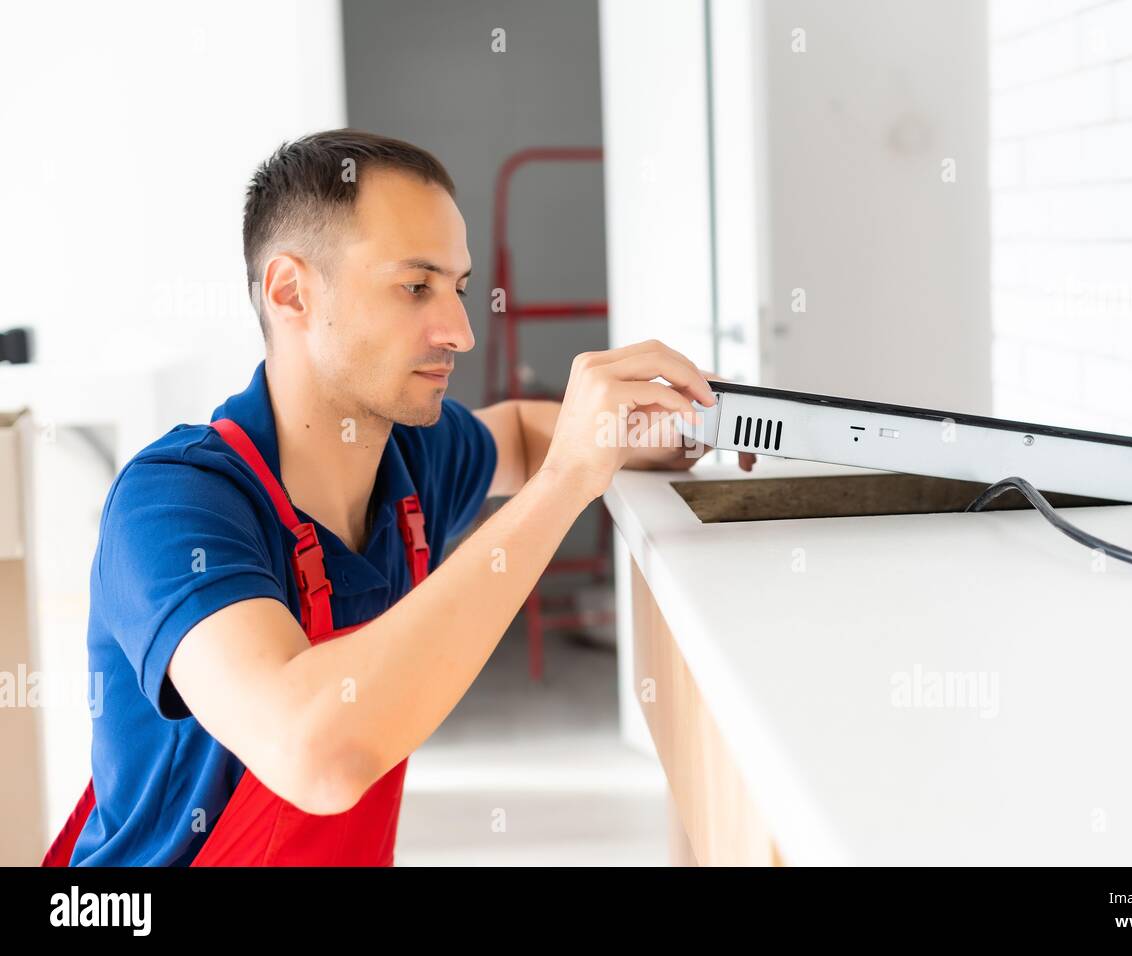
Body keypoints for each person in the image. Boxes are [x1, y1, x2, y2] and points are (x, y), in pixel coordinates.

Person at [45, 128, 752, 866]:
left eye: (459, 288)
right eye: (416, 286)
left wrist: (648, 431)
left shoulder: (406, 453)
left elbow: (512, 434)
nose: (461, 332)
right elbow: (316, 751)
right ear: (291, 291)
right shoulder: (172, 505)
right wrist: (568, 481)